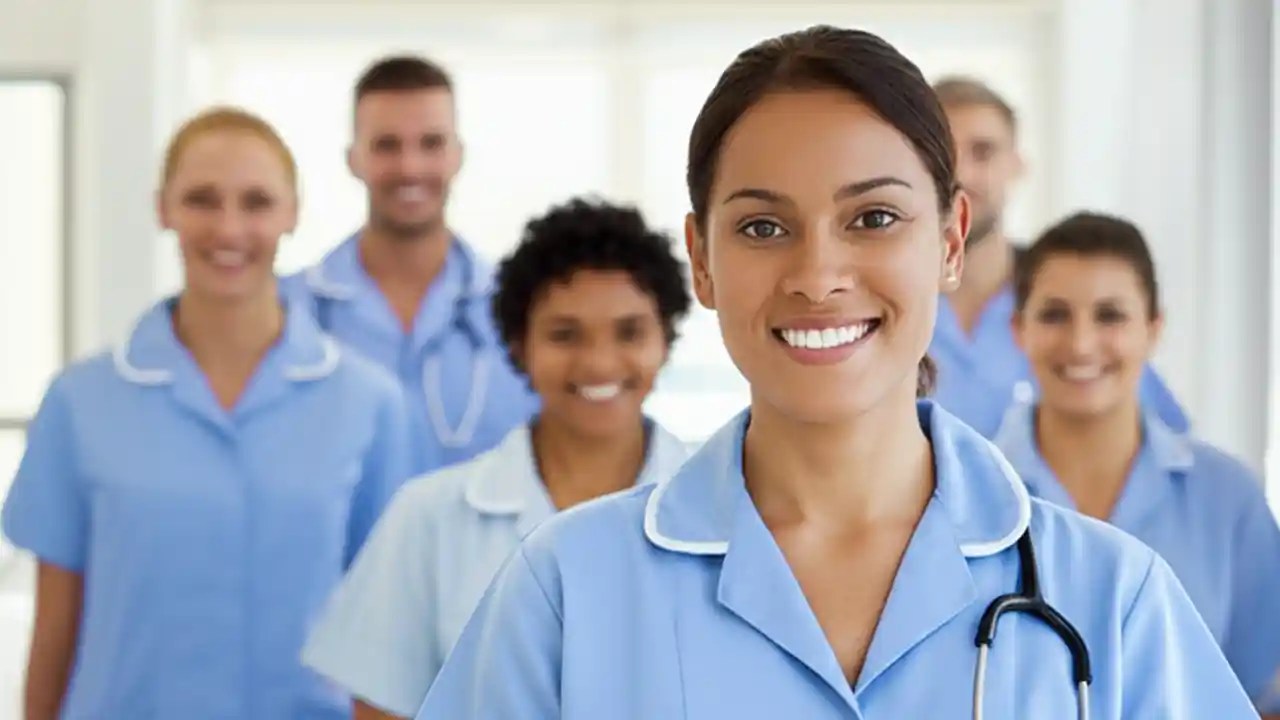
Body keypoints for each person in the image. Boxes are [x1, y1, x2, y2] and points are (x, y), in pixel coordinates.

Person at [415, 25, 1257, 719]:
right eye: (762, 227)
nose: (817, 277)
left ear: (951, 241)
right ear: (701, 260)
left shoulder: (1115, 599)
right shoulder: (565, 590)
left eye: (874, 217)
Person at [2, 108, 411, 719]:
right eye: (201, 200)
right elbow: (55, 632)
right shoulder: (79, 402)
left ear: (293, 213)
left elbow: (387, 635)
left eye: (256, 202)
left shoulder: (368, 403)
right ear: (162, 209)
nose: (229, 227)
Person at [300, 197, 694, 720]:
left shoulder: (732, 508)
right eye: (565, 334)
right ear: (518, 345)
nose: (600, 362)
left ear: (666, 339)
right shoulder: (427, 518)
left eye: (630, 332)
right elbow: (381, 709)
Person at [993, 211, 1280, 717]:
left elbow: (1264, 698)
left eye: (1110, 316)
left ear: (1153, 328)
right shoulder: (970, 492)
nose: (1081, 344)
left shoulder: (1228, 499)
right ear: (1018, 329)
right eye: (1054, 315)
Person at [284, 55, 536, 474]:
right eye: (387, 145)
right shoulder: (286, 311)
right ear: (353, 159)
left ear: (458, 155)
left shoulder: (523, 311)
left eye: (431, 144)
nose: (410, 167)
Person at [927, 76, 1189, 438]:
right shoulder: (890, 305)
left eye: (983, 152)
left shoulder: (1074, 299)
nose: (962, 174)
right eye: (945, 157)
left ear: (1017, 165)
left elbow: (1168, 450)